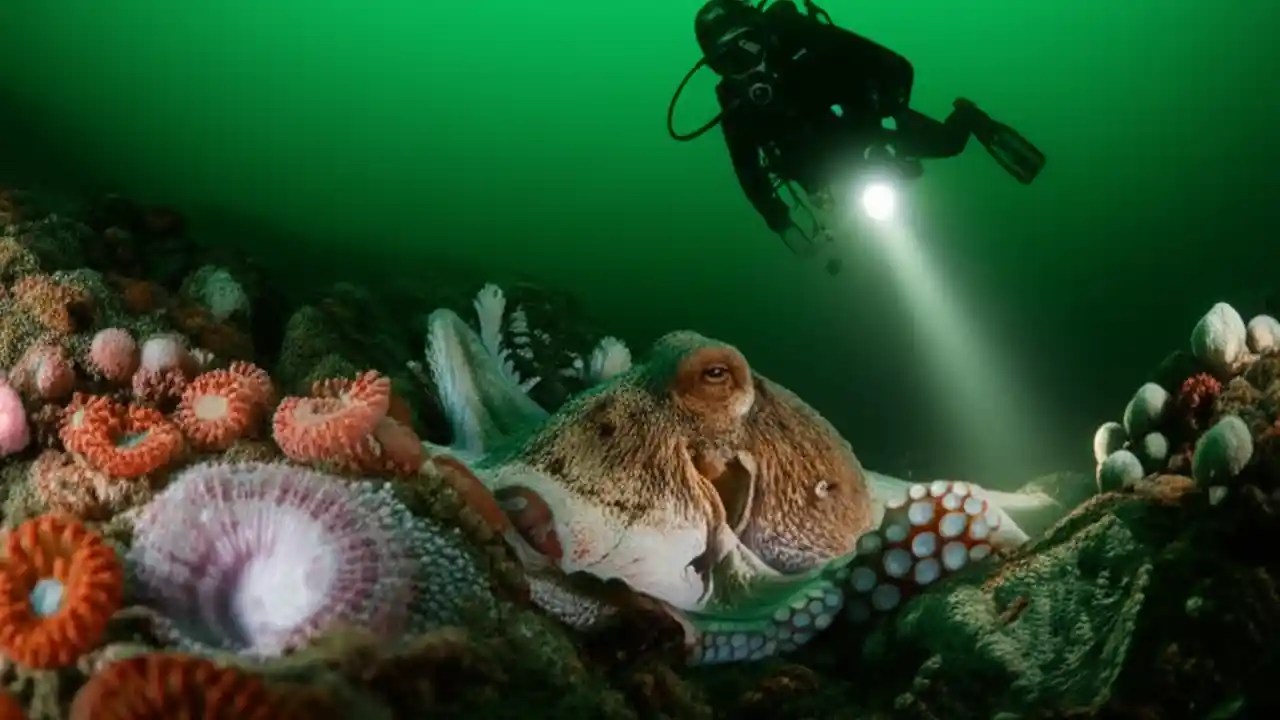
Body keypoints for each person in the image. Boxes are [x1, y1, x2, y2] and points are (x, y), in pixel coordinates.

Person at [687, 0, 1046, 253]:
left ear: (763, 34)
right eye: (726, 60)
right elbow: (747, 168)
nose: (744, 67)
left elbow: (895, 66)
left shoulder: (806, 39)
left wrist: (889, 118)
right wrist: (778, 219)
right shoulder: (737, 107)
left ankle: (970, 117)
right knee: (837, 216)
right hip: (821, 164)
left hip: (872, 124)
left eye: (747, 46)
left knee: (949, 144)